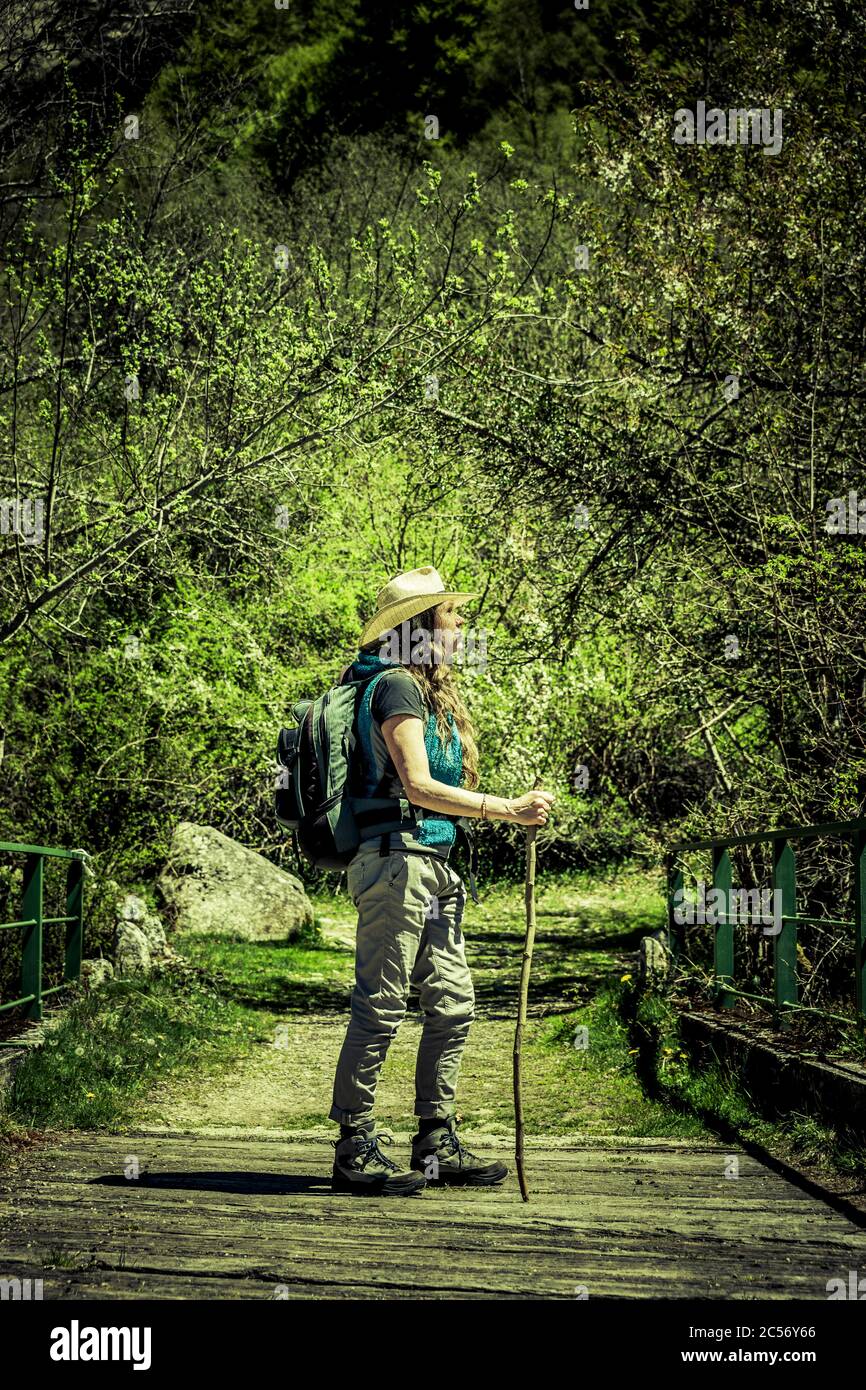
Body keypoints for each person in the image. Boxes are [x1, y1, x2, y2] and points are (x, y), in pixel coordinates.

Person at [329, 565, 555, 1195]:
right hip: (395, 864)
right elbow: (418, 786)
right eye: (451, 616)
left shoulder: (425, 691)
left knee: (453, 1004)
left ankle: (435, 1141)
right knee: (380, 1004)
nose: (460, 627)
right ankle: (354, 1143)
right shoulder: (397, 687)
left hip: (433, 866)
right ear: (419, 628)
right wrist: (505, 808)